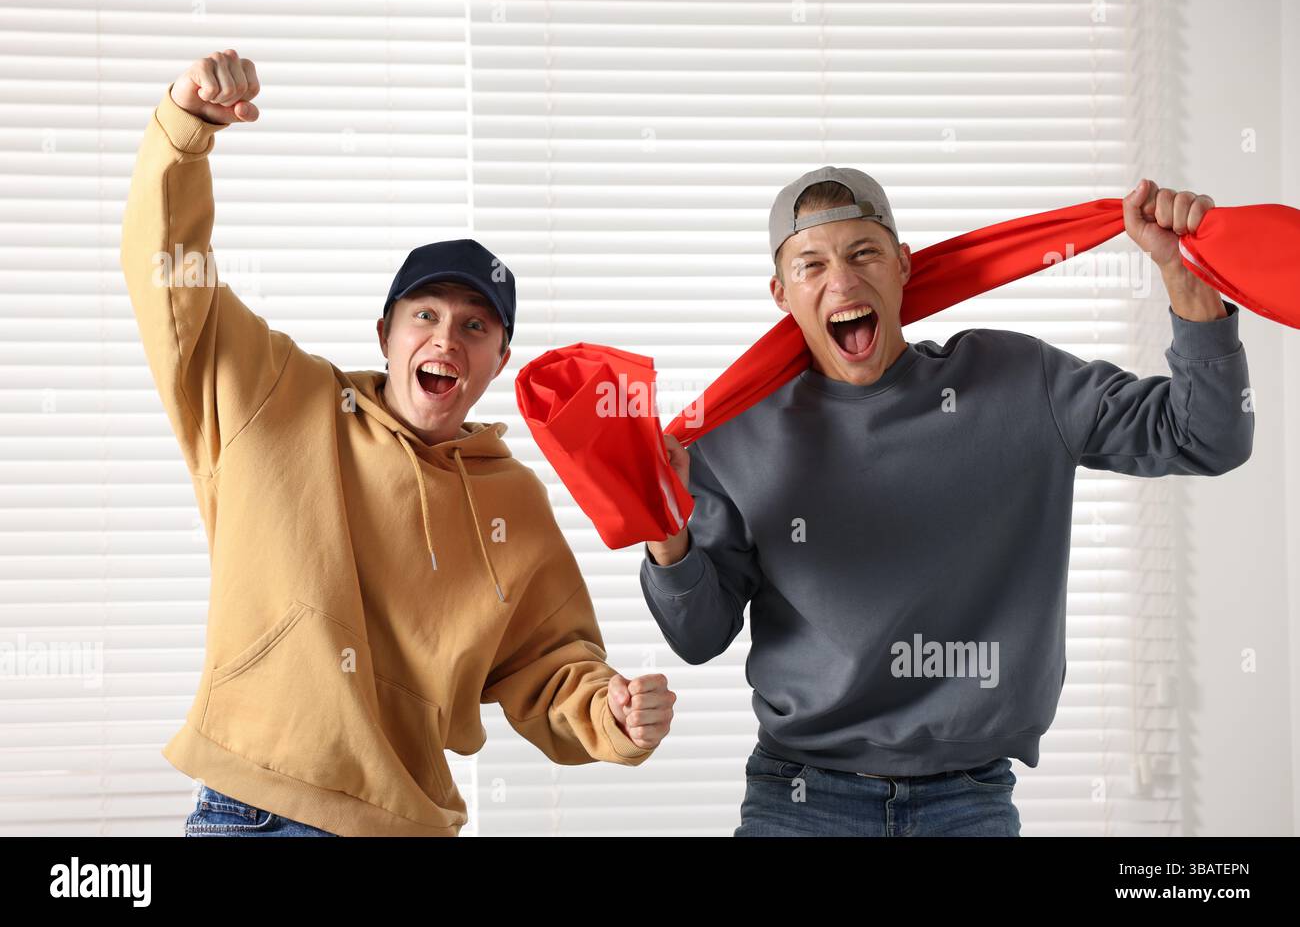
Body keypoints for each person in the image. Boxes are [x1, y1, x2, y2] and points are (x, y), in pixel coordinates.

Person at [121, 48, 674, 837]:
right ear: (385, 332)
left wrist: (613, 713)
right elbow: (171, 284)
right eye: (425, 314)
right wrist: (185, 134)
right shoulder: (278, 396)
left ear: (498, 360)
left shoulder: (513, 499)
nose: (447, 335)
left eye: (474, 325)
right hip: (251, 809)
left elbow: (551, 670)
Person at [639, 166, 1253, 836]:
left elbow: (1207, 437)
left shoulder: (1020, 384)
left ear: (904, 265)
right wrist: (664, 529)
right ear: (781, 294)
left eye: (863, 253)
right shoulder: (733, 437)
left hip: (969, 801)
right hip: (800, 799)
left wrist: (1184, 276)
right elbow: (698, 636)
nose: (841, 282)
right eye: (811, 265)